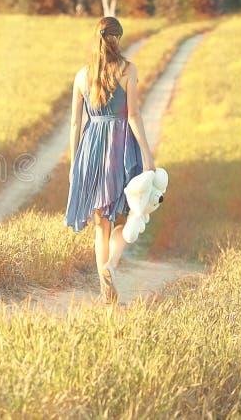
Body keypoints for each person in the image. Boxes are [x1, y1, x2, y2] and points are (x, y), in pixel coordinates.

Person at [64, 17, 155, 303]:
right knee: (125, 218)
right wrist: (147, 156)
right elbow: (133, 116)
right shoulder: (128, 70)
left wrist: (73, 163)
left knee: (100, 224)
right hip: (120, 147)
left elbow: (75, 123)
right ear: (117, 39)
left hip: (91, 149)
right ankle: (111, 267)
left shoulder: (82, 76)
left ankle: (106, 294)